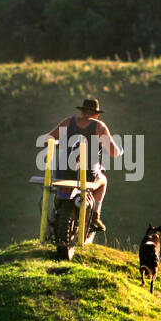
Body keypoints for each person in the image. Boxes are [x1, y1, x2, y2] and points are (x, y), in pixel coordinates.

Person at [44, 97, 122, 232]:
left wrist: (59, 144)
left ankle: (57, 207)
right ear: (96, 114)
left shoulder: (68, 122)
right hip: (87, 176)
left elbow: (47, 140)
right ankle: (95, 216)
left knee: (61, 179)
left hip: (63, 173)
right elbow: (113, 152)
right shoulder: (99, 126)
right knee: (103, 180)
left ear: (82, 112)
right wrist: (120, 150)